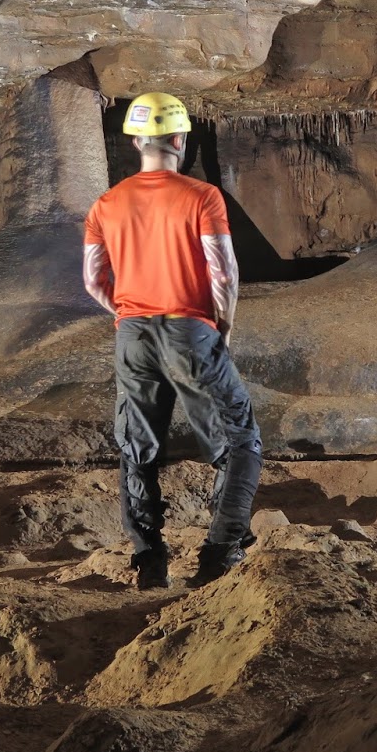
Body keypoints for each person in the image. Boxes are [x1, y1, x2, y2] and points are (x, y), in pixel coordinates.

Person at [82, 91, 263, 590]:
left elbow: (94, 281)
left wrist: (129, 314)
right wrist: (220, 326)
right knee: (239, 442)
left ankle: (149, 562)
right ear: (180, 139)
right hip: (190, 329)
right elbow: (223, 271)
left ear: (137, 141)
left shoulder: (105, 205)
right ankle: (219, 555)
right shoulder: (201, 197)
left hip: (132, 335)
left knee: (137, 448)